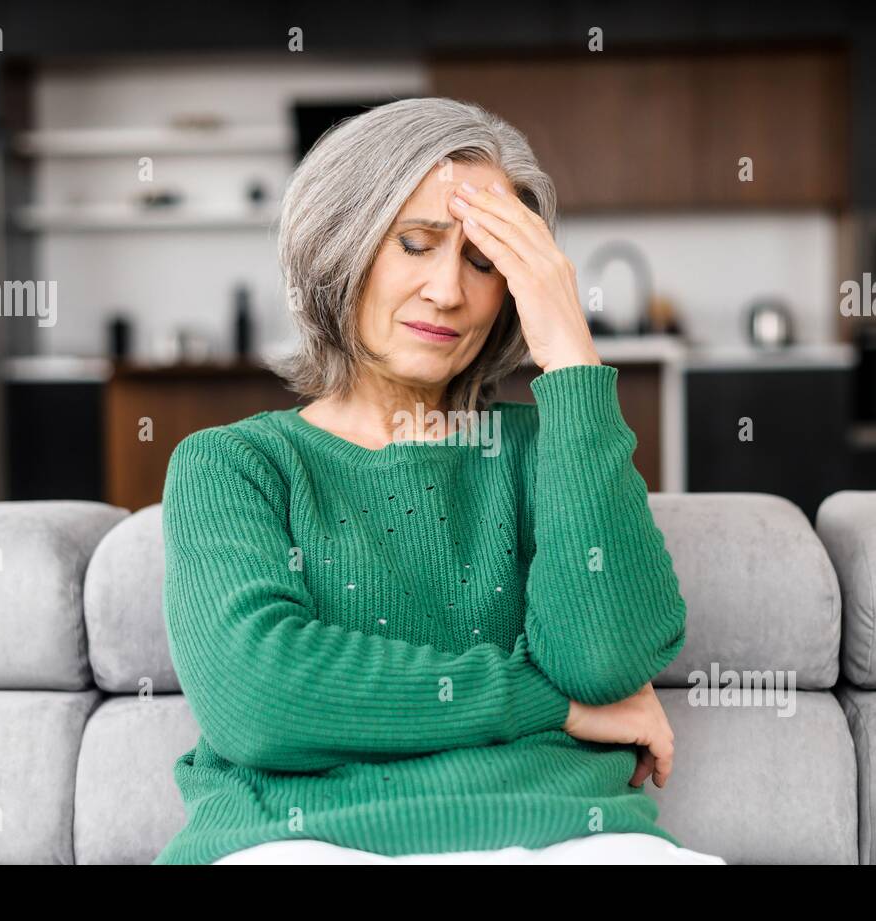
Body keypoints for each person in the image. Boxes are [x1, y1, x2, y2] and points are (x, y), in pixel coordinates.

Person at [153, 97, 725, 865]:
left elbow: (606, 662)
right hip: (300, 843)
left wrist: (574, 359)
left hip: (561, 837)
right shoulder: (233, 465)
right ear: (340, 248)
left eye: (487, 261)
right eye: (416, 244)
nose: (450, 292)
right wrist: (549, 704)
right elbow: (258, 700)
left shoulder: (545, 449)